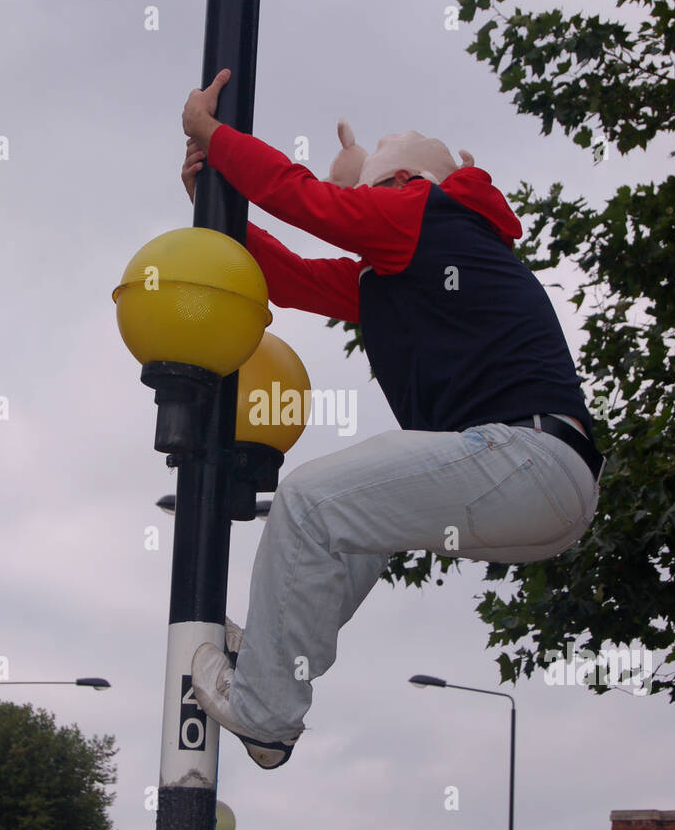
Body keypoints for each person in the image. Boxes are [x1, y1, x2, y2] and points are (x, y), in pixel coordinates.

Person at [182, 71, 606, 768]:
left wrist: (215, 138)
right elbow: (283, 277)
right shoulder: (398, 276)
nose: (358, 212)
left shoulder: (428, 213)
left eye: (365, 195)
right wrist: (210, 202)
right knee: (347, 531)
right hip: (543, 483)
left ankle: (264, 713)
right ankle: (270, 669)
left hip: (530, 456)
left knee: (311, 502)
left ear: (404, 182)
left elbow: (304, 199)